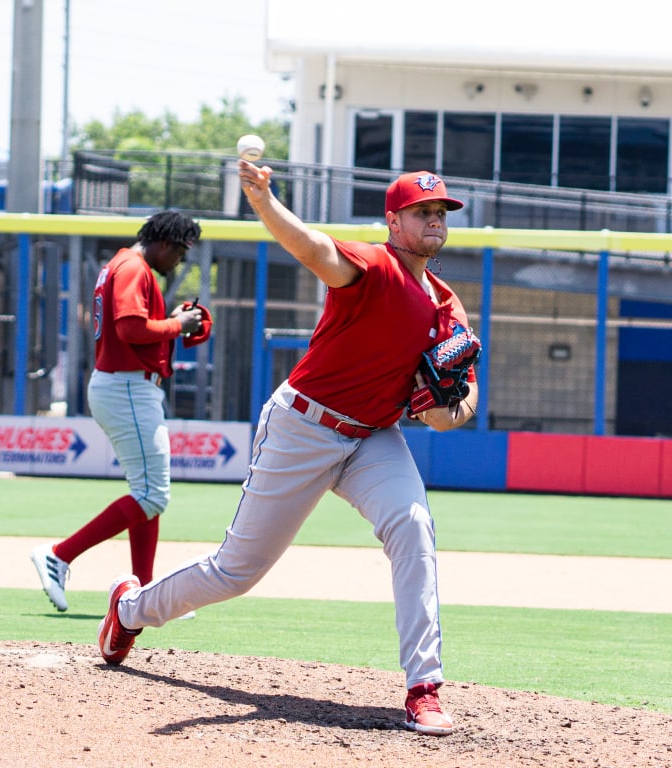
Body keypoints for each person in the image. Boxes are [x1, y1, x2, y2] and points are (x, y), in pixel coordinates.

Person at [95, 168, 479, 737]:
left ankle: (423, 687)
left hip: (373, 437)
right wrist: (265, 201)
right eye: (423, 211)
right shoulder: (374, 266)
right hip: (303, 425)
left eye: (441, 212)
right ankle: (129, 611)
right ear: (393, 221)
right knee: (236, 571)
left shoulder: (448, 308)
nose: (435, 220)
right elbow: (314, 248)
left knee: (414, 528)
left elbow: (458, 409)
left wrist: (446, 408)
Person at [30, 210, 207, 613]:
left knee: (148, 494)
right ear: (163, 242)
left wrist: (175, 324)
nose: (178, 260)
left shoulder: (124, 265)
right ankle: (59, 554)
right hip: (126, 385)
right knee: (152, 494)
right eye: (179, 251)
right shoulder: (133, 267)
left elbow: (136, 328)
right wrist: (176, 325)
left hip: (125, 384)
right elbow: (129, 327)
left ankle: (143, 595)